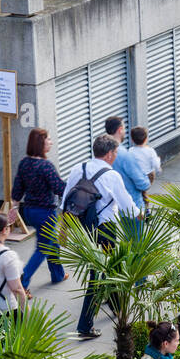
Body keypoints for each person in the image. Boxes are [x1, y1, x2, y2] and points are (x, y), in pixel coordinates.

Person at [60, 133, 139, 340]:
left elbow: (65, 200)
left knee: (109, 269)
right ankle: (85, 326)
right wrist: (140, 214)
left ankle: (116, 307)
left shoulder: (79, 168)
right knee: (98, 274)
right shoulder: (111, 175)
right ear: (110, 154)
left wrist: (64, 230)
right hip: (104, 230)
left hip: (81, 228)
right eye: (115, 152)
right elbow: (127, 206)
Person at [12, 127, 67, 287]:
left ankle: (58, 274)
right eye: (48, 139)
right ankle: (23, 281)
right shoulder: (46, 166)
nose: (51, 142)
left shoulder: (24, 163)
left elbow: (17, 189)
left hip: (29, 211)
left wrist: (14, 209)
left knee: (51, 241)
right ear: (40, 144)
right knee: (43, 248)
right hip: (45, 213)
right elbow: (59, 188)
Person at [105, 115, 152, 212]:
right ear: (120, 129)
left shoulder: (101, 153)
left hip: (111, 208)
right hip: (132, 208)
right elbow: (143, 184)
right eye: (124, 129)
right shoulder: (124, 155)